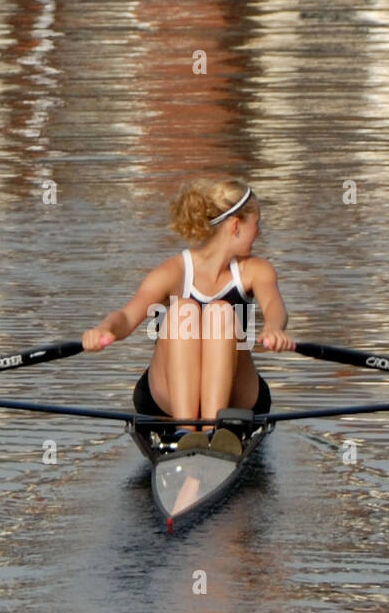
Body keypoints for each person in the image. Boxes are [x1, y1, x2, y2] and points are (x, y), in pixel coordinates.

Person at [81, 178, 292, 451]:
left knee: (220, 311)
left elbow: (274, 306)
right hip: (167, 398)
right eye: (257, 223)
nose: (260, 232)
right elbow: (126, 317)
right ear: (236, 226)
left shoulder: (257, 270)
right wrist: (103, 329)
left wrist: (274, 328)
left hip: (237, 398)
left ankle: (216, 431)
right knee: (183, 310)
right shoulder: (172, 272)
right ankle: (185, 431)